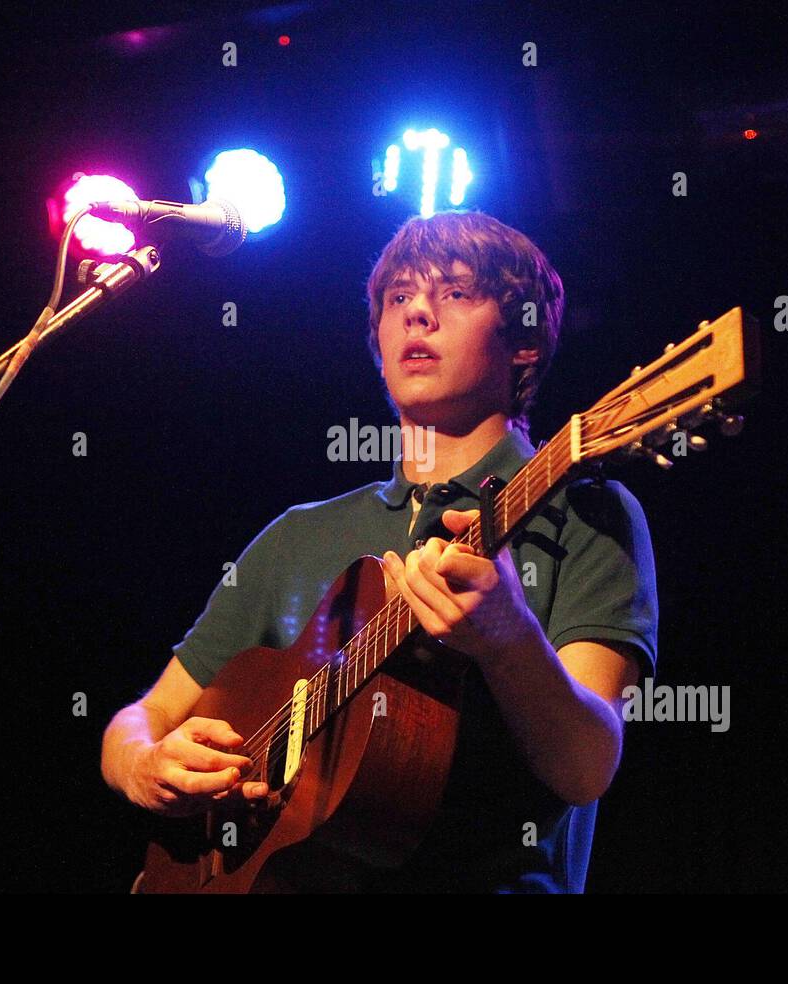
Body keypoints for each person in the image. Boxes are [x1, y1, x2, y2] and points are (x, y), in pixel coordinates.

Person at [100, 209, 658, 892]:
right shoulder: (298, 535)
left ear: (526, 343)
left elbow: (585, 766)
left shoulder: (586, 512)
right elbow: (143, 718)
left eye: (455, 292)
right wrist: (143, 767)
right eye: (399, 298)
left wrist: (509, 637)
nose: (418, 312)